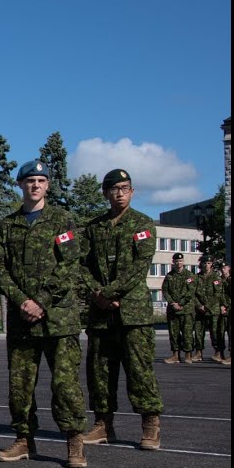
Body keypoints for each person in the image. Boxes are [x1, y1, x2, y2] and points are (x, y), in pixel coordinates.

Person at [0, 160, 87, 468]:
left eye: (41, 180)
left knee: (65, 384)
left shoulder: (62, 220)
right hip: (21, 321)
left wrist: (41, 301)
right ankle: (23, 439)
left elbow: (69, 266)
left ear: (47, 185)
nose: (35, 185)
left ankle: (74, 440)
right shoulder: (8, 225)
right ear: (20, 184)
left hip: (58, 319)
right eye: (29, 180)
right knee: (20, 386)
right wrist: (21, 301)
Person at [78, 168, 165, 451]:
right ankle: (103, 424)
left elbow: (141, 266)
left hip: (133, 313)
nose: (120, 193)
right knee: (100, 373)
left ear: (132, 191)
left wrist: (111, 292)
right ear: (105, 193)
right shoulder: (94, 227)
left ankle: (150, 425)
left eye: (125, 188)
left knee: (139, 371)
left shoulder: (142, 224)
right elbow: (82, 265)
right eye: (114, 188)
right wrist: (97, 293)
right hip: (102, 313)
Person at [160, 253, 195, 364]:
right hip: (173, 310)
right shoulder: (169, 276)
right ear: (173, 262)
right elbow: (165, 290)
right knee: (174, 333)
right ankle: (175, 355)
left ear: (183, 262)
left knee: (187, 333)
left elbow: (191, 291)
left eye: (180, 261)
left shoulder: (189, 275)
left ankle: (188, 355)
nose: (178, 263)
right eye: (176, 261)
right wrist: (172, 303)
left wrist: (181, 303)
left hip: (186, 310)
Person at [195, 258, 229, 363]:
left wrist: (207, 306)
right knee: (198, 332)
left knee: (215, 332)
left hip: (213, 310)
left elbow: (218, 293)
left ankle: (218, 352)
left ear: (212, 265)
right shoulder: (197, 277)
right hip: (199, 310)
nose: (206, 265)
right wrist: (199, 305)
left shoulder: (215, 277)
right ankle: (198, 353)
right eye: (205, 263)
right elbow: (193, 293)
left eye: (209, 263)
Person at [220, 263, 231, 365]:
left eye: (225, 268)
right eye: (221, 268)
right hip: (220, 309)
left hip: (229, 309)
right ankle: (220, 354)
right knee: (219, 332)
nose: (223, 270)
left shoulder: (230, 280)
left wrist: (226, 306)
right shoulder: (219, 280)